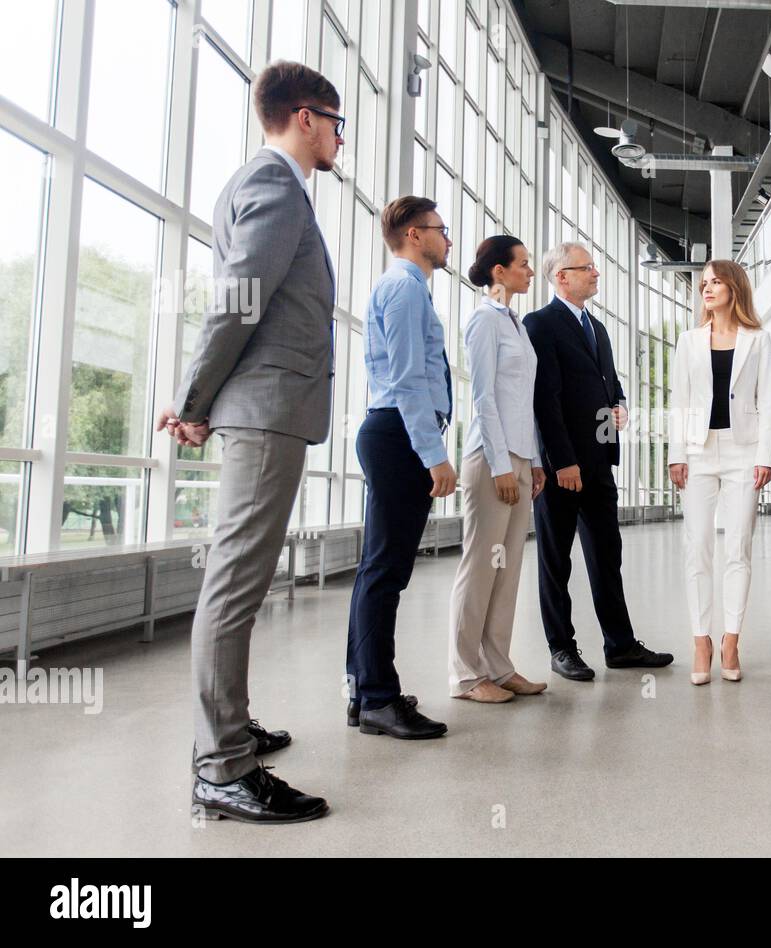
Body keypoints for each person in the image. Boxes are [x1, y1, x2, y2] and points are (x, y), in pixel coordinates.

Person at [158, 61, 341, 823]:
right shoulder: (273, 184)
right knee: (234, 584)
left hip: (267, 407)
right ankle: (223, 766)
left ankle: (231, 730)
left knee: (242, 582)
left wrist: (204, 400)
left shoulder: (272, 186)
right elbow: (236, 302)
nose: (338, 138)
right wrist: (193, 399)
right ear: (305, 115)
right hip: (264, 410)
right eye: (336, 121)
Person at [524, 242, 673, 680]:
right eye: (586, 267)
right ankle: (561, 647)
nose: (596, 273)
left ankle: (620, 645)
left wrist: (620, 404)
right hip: (563, 467)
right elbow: (545, 400)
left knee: (607, 555)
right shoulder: (540, 325)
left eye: (595, 266)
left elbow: (608, 384)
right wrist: (561, 461)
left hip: (599, 462)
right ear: (561, 277)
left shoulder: (598, 328)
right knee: (556, 560)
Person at [344, 195, 456, 740]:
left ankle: (364, 689)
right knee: (386, 571)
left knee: (376, 568)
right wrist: (433, 454)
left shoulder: (402, 288)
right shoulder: (407, 289)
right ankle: (379, 699)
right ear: (415, 234)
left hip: (392, 431)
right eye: (441, 229)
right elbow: (410, 380)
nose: (448, 239)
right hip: (400, 434)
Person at [447, 236, 549, 703]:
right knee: (481, 568)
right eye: (523, 265)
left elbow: (523, 400)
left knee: (506, 570)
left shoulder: (517, 324)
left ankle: (499, 666)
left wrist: (535, 460)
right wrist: (502, 464)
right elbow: (483, 398)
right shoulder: (484, 321)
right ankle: (467, 675)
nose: (530, 272)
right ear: (498, 272)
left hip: (521, 459)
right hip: (493, 462)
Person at [668, 260, 771, 684]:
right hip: (697, 452)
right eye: (703, 284)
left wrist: (765, 456)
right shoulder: (688, 341)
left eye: (715, 282)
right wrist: (676, 453)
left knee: (738, 548)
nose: (707, 289)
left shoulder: (759, 340)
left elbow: (767, 402)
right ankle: (701, 641)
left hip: (743, 451)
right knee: (697, 547)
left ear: (734, 287)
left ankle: (731, 639)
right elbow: (679, 400)